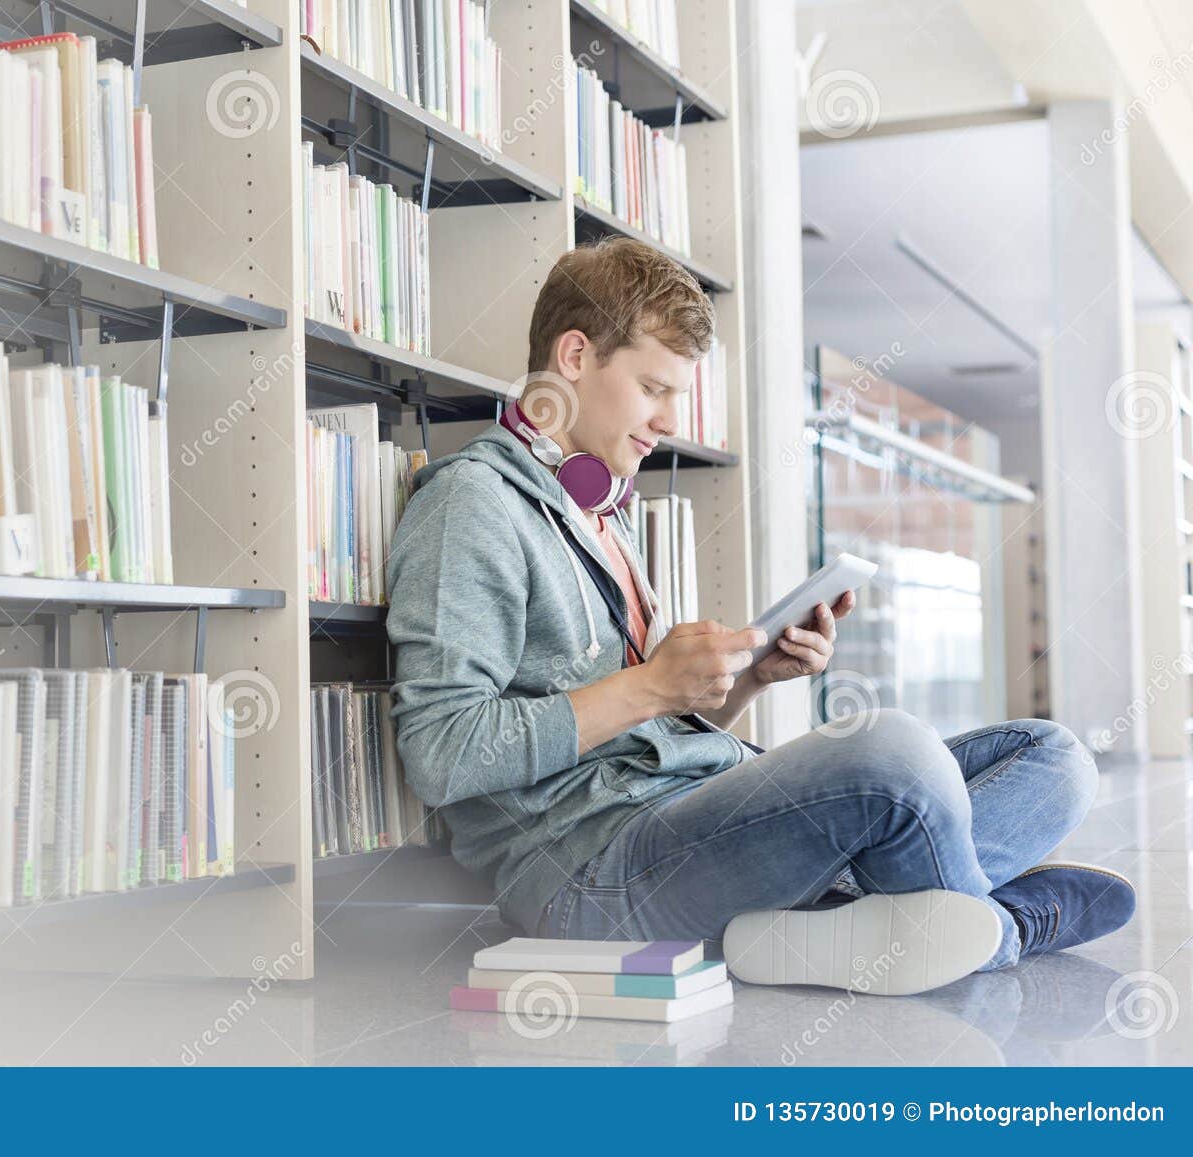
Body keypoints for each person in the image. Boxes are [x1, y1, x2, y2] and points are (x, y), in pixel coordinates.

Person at [383, 237, 1134, 995]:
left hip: (692, 809)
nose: (668, 420)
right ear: (574, 356)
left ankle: (854, 916)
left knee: (1055, 756)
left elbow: (647, 731)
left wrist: (745, 682)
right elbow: (442, 751)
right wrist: (652, 686)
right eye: (653, 388)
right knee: (894, 753)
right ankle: (999, 927)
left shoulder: (600, 507)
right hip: (591, 872)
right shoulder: (472, 505)